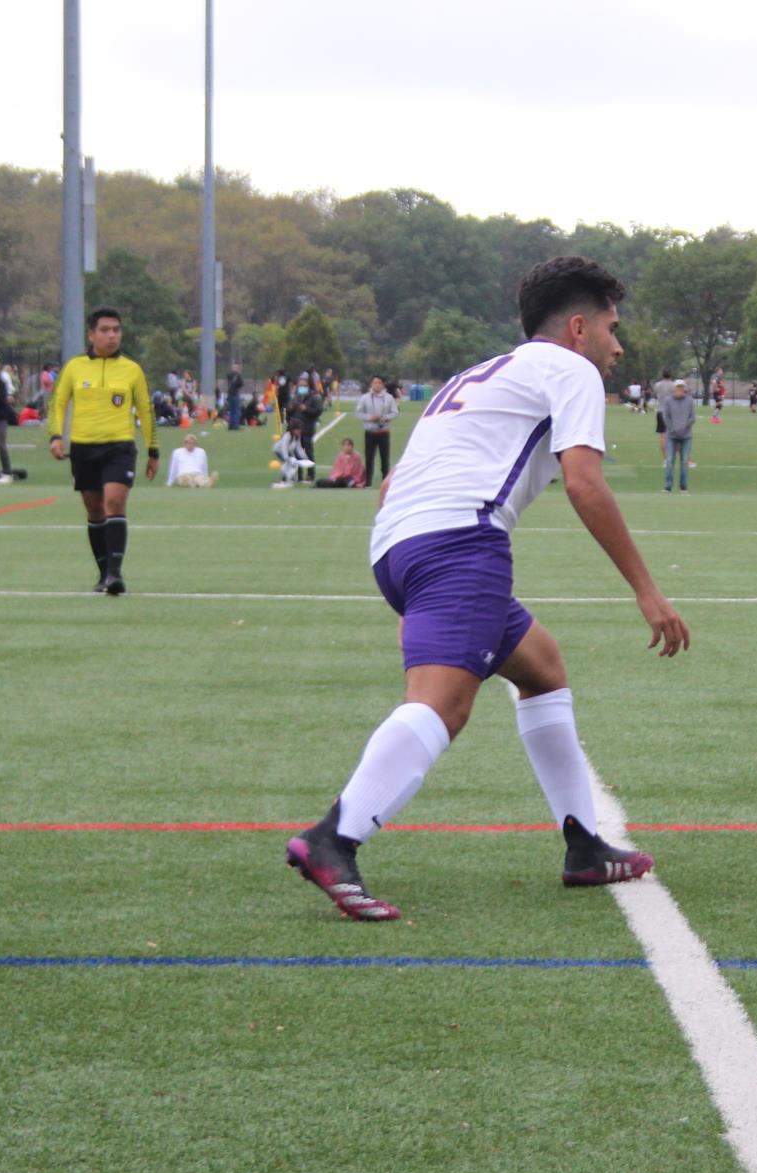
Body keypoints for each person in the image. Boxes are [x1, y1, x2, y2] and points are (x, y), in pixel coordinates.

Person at [283, 256, 684, 922]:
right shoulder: (573, 370)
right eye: (613, 329)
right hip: (460, 543)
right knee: (444, 706)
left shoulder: (477, 373)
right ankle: (335, 837)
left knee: (542, 669)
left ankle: (584, 844)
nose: (619, 346)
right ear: (579, 328)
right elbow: (585, 482)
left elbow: (392, 484)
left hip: (399, 543)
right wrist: (647, 589)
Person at [47, 307, 158, 594]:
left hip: (119, 446)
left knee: (114, 503)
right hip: (83, 448)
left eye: (116, 330)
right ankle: (103, 572)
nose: (111, 335)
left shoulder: (132, 370)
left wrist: (153, 450)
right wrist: (56, 436)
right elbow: (58, 403)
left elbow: (146, 410)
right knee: (94, 510)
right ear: (91, 334)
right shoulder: (75, 367)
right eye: (105, 330)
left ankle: (116, 574)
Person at [356, 374, 399, 486]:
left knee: (385, 458)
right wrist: (369, 418)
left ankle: (386, 481)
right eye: (375, 382)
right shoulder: (365, 397)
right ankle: (368, 481)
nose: (377, 385)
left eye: (379, 382)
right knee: (369, 458)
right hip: (370, 432)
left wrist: (385, 418)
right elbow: (358, 413)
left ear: (383, 384)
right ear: (371, 384)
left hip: (383, 432)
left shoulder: (389, 398)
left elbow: (395, 412)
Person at [661, 378, 696, 491]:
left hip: (686, 436)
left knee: (684, 460)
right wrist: (672, 429)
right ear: (674, 389)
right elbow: (666, 417)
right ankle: (668, 485)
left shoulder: (689, 401)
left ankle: (683, 486)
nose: (680, 390)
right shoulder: (668, 401)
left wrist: (685, 427)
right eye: (678, 388)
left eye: (681, 388)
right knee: (670, 459)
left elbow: (692, 417)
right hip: (672, 435)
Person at [225, 363, 245, 430]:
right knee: (235, 411)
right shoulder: (234, 375)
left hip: (232, 394)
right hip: (234, 394)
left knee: (233, 411)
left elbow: (241, 383)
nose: (235, 368)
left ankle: (232, 425)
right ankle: (234, 426)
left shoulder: (235, 375)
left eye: (236, 367)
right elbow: (241, 384)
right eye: (234, 367)